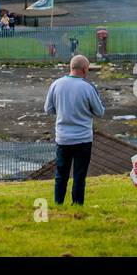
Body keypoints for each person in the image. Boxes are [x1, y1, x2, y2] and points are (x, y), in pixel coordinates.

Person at [43, 54, 105, 206]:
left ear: (71, 67)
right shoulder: (88, 87)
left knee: (61, 175)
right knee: (79, 176)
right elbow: (100, 112)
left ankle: (58, 203)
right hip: (83, 138)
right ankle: (77, 205)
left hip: (63, 138)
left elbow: (48, 109)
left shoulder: (56, 84)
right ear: (84, 69)